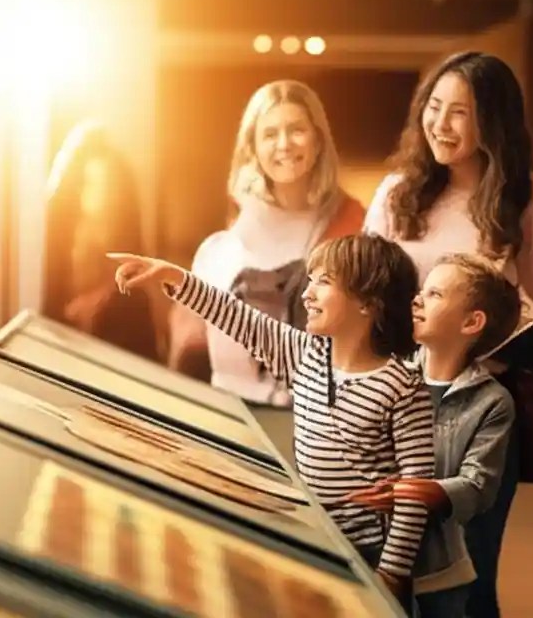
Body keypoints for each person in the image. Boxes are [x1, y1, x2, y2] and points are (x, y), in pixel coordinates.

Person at [364, 50, 533, 617]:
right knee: (382, 569)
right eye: (434, 107)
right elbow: (364, 292)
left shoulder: (531, 196)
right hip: (394, 398)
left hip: (478, 405)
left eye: (459, 112)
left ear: (495, 121)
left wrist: (473, 342)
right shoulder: (395, 192)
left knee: (468, 577)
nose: (440, 124)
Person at [109, 234, 432, 609]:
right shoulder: (305, 354)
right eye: (310, 280)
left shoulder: (403, 387)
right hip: (319, 539)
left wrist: (392, 572)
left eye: (323, 282)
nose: (307, 294)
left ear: (368, 304)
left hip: (371, 554)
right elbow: (238, 317)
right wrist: (175, 277)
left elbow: (415, 490)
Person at [167, 80, 365, 404]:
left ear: (318, 141)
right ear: (253, 148)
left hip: (316, 427)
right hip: (227, 419)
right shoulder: (217, 253)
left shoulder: (354, 235)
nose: (284, 144)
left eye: (297, 130)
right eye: (270, 134)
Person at [348, 253, 521, 618]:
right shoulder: (386, 376)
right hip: (371, 552)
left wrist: (416, 491)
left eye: (435, 294)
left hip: (441, 573)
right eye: (421, 291)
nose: (417, 299)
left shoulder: (493, 403)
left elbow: (477, 487)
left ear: (472, 322)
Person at [43, 120, 159, 361]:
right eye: (90, 185)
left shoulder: (127, 299)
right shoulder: (52, 254)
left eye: (109, 187)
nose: (105, 195)